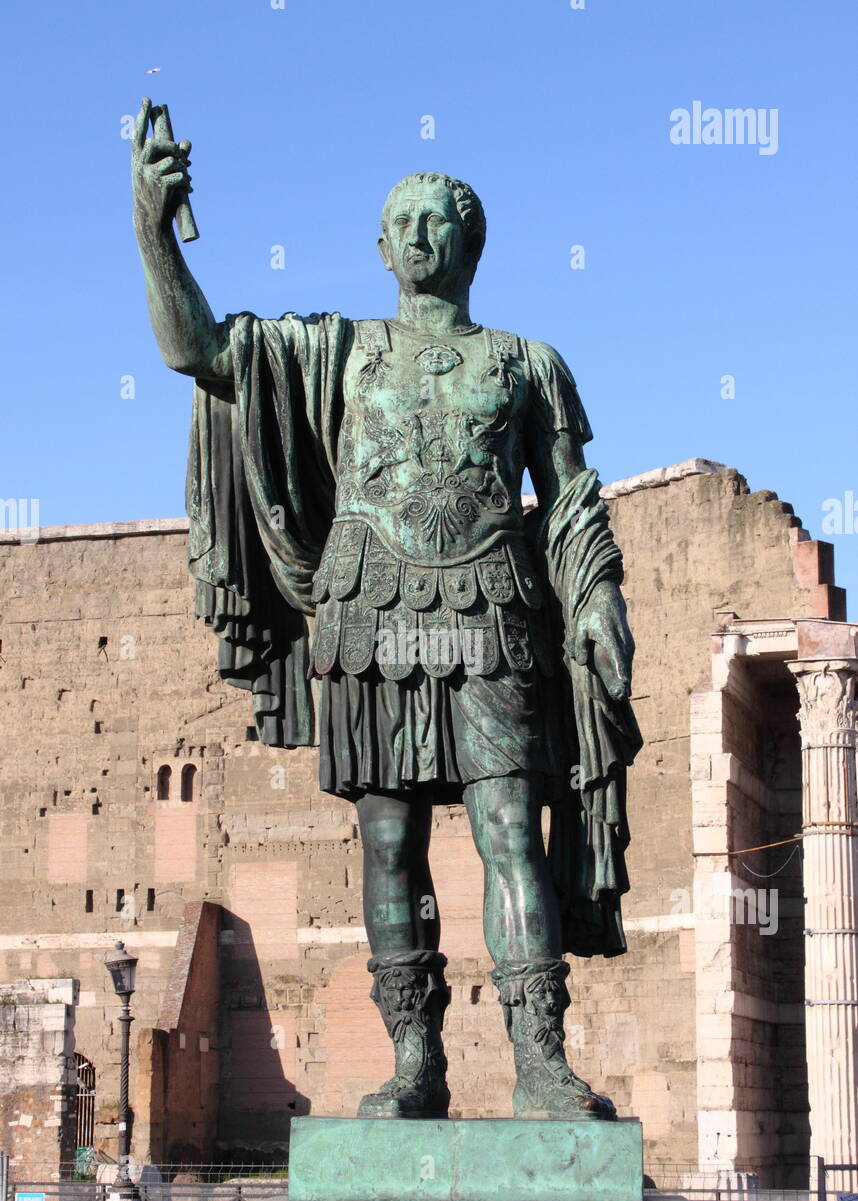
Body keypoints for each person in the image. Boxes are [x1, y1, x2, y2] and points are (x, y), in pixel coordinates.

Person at [132, 98, 642, 1122]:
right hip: (370, 616)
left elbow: (573, 498)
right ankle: (417, 1065)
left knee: (509, 827)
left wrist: (596, 598)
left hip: (494, 611)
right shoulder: (338, 352)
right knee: (388, 843)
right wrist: (153, 227)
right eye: (402, 219)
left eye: (439, 216)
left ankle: (541, 1062)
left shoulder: (527, 363)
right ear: (379, 246)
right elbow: (199, 353)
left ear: (473, 241)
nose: (419, 232)